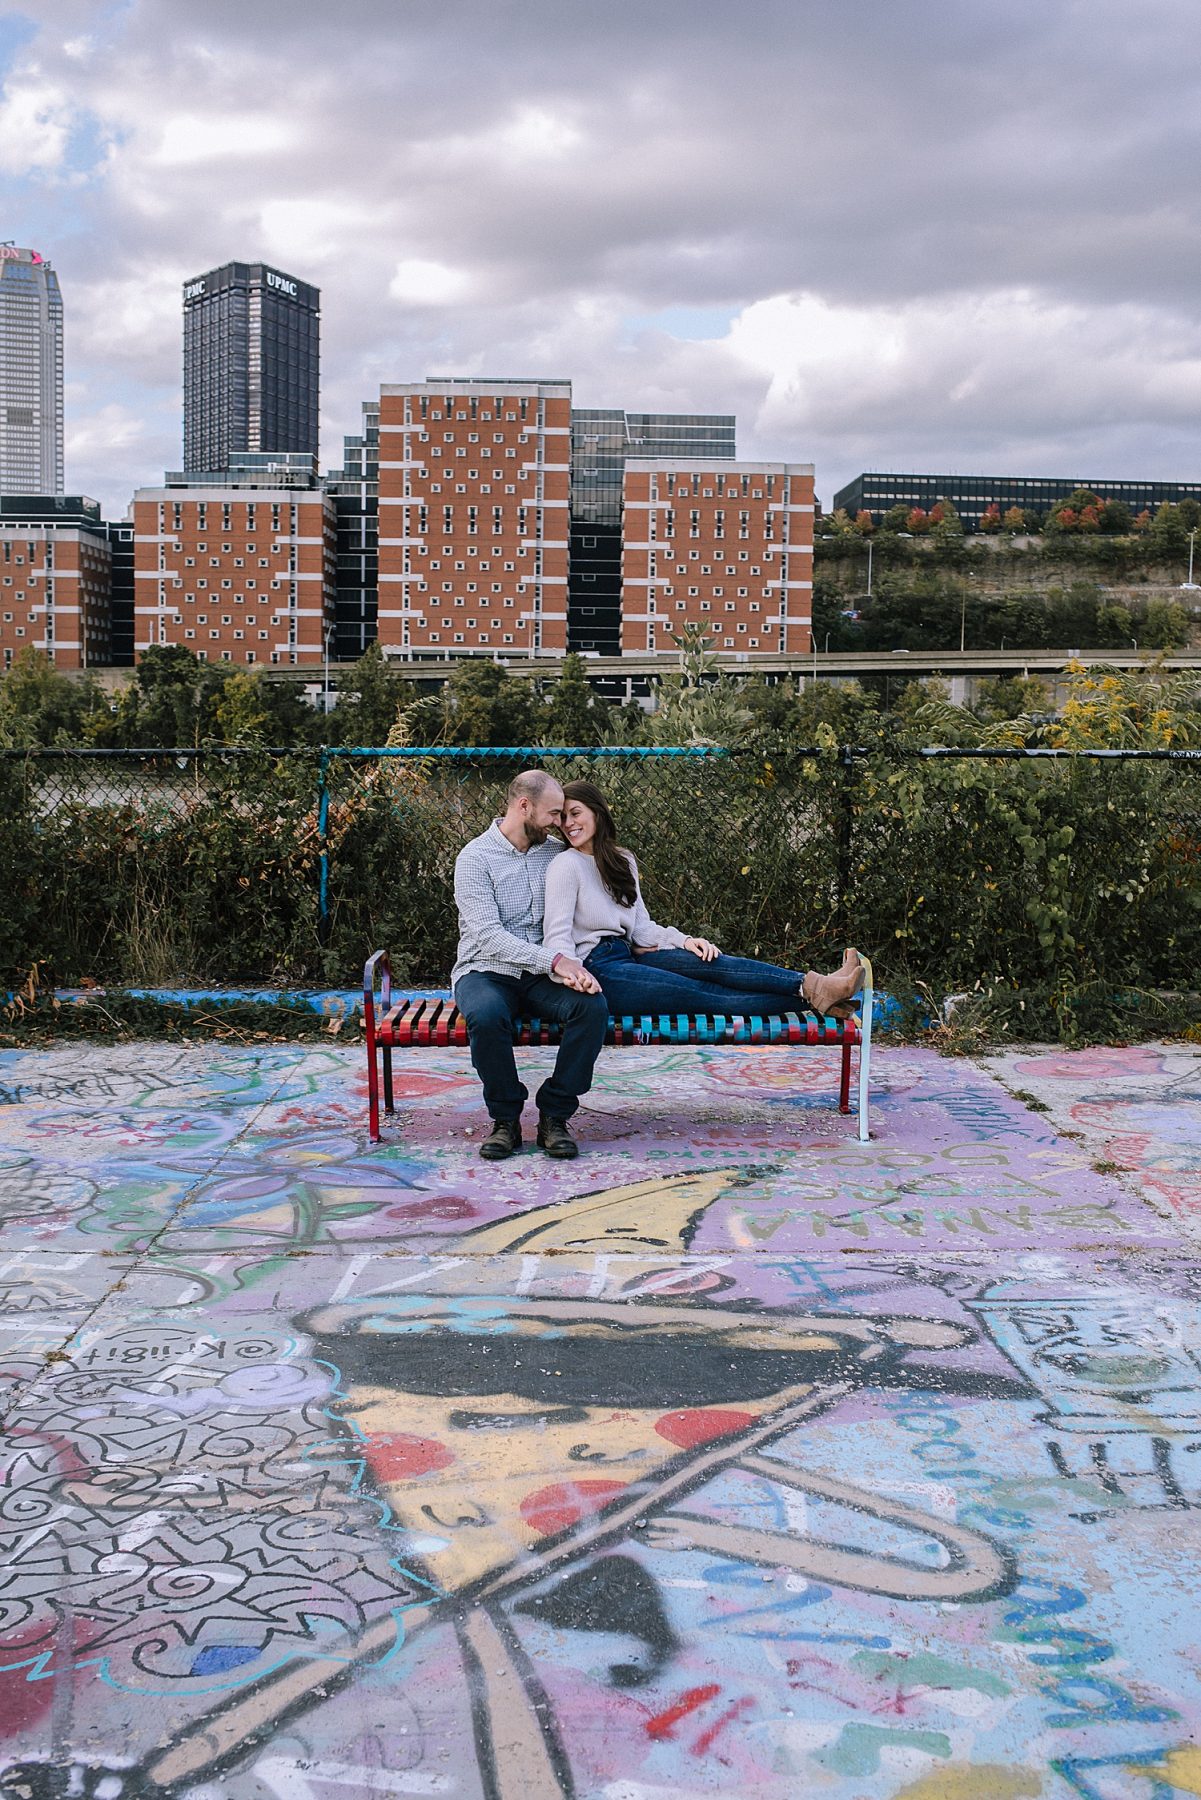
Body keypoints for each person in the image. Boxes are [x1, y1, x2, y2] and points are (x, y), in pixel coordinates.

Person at [542, 779, 864, 1026]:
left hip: (631, 954)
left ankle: (817, 985)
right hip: (600, 969)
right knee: (705, 995)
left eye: (576, 814)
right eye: (563, 818)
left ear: (597, 813)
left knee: (716, 964)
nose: (568, 824)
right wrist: (573, 978)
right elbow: (556, 936)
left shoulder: (622, 861)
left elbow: (641, 927)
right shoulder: (565, 866)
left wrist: (684, 941)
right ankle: (816, 997)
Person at [453, 770, 609, 1162]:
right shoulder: (474, 858)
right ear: (524, 806)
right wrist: (556, 959)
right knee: (486, 1016)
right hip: (485, 970)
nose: (560, 822)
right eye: (553, 813)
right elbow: (488, 936)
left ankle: (554, 1115)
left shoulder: (557, 854)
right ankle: (505, 1120)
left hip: (541, 977)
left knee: (591, 1008)